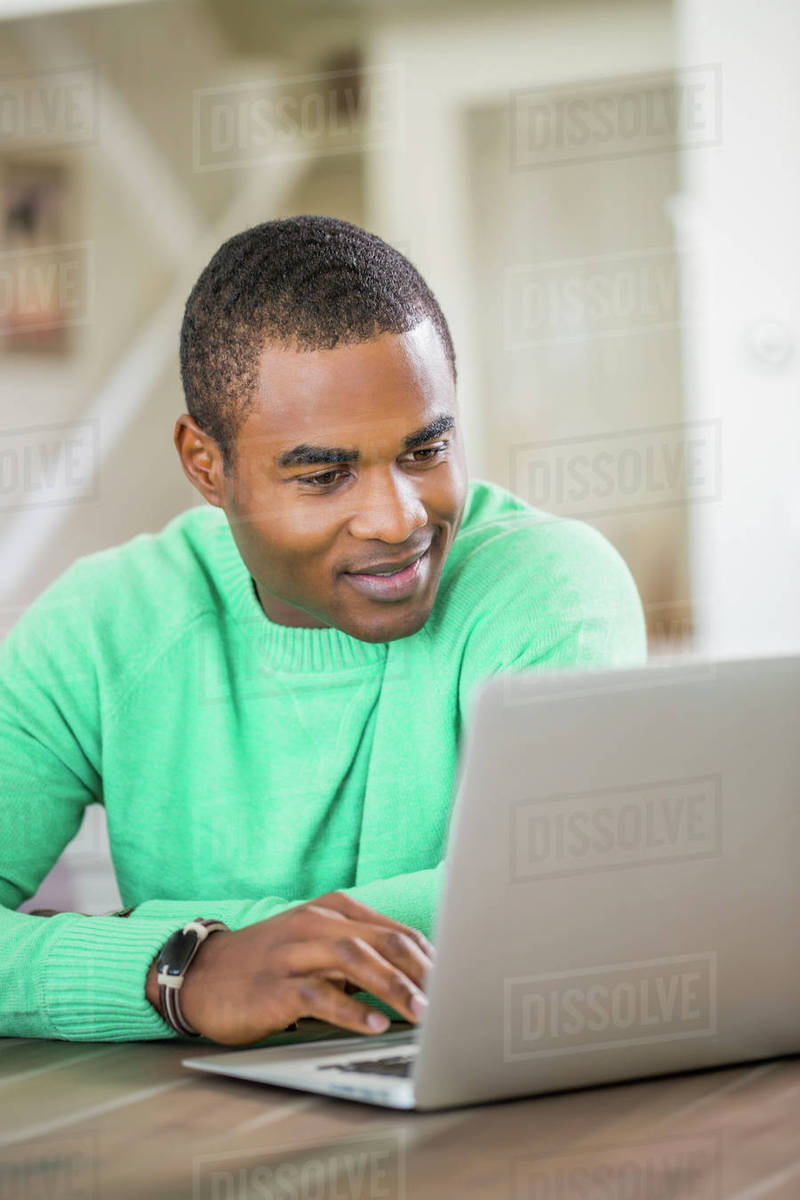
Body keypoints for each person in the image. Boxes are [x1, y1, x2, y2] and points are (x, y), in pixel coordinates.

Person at [0, 215, 646, 1046]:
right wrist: (186, 976)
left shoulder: (548, 589)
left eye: (426, 451)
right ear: (205, 464)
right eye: (325, 474)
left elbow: (563, 902)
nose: (397, 518)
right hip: (199, 1142)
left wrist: (192, 945)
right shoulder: (103, 628)